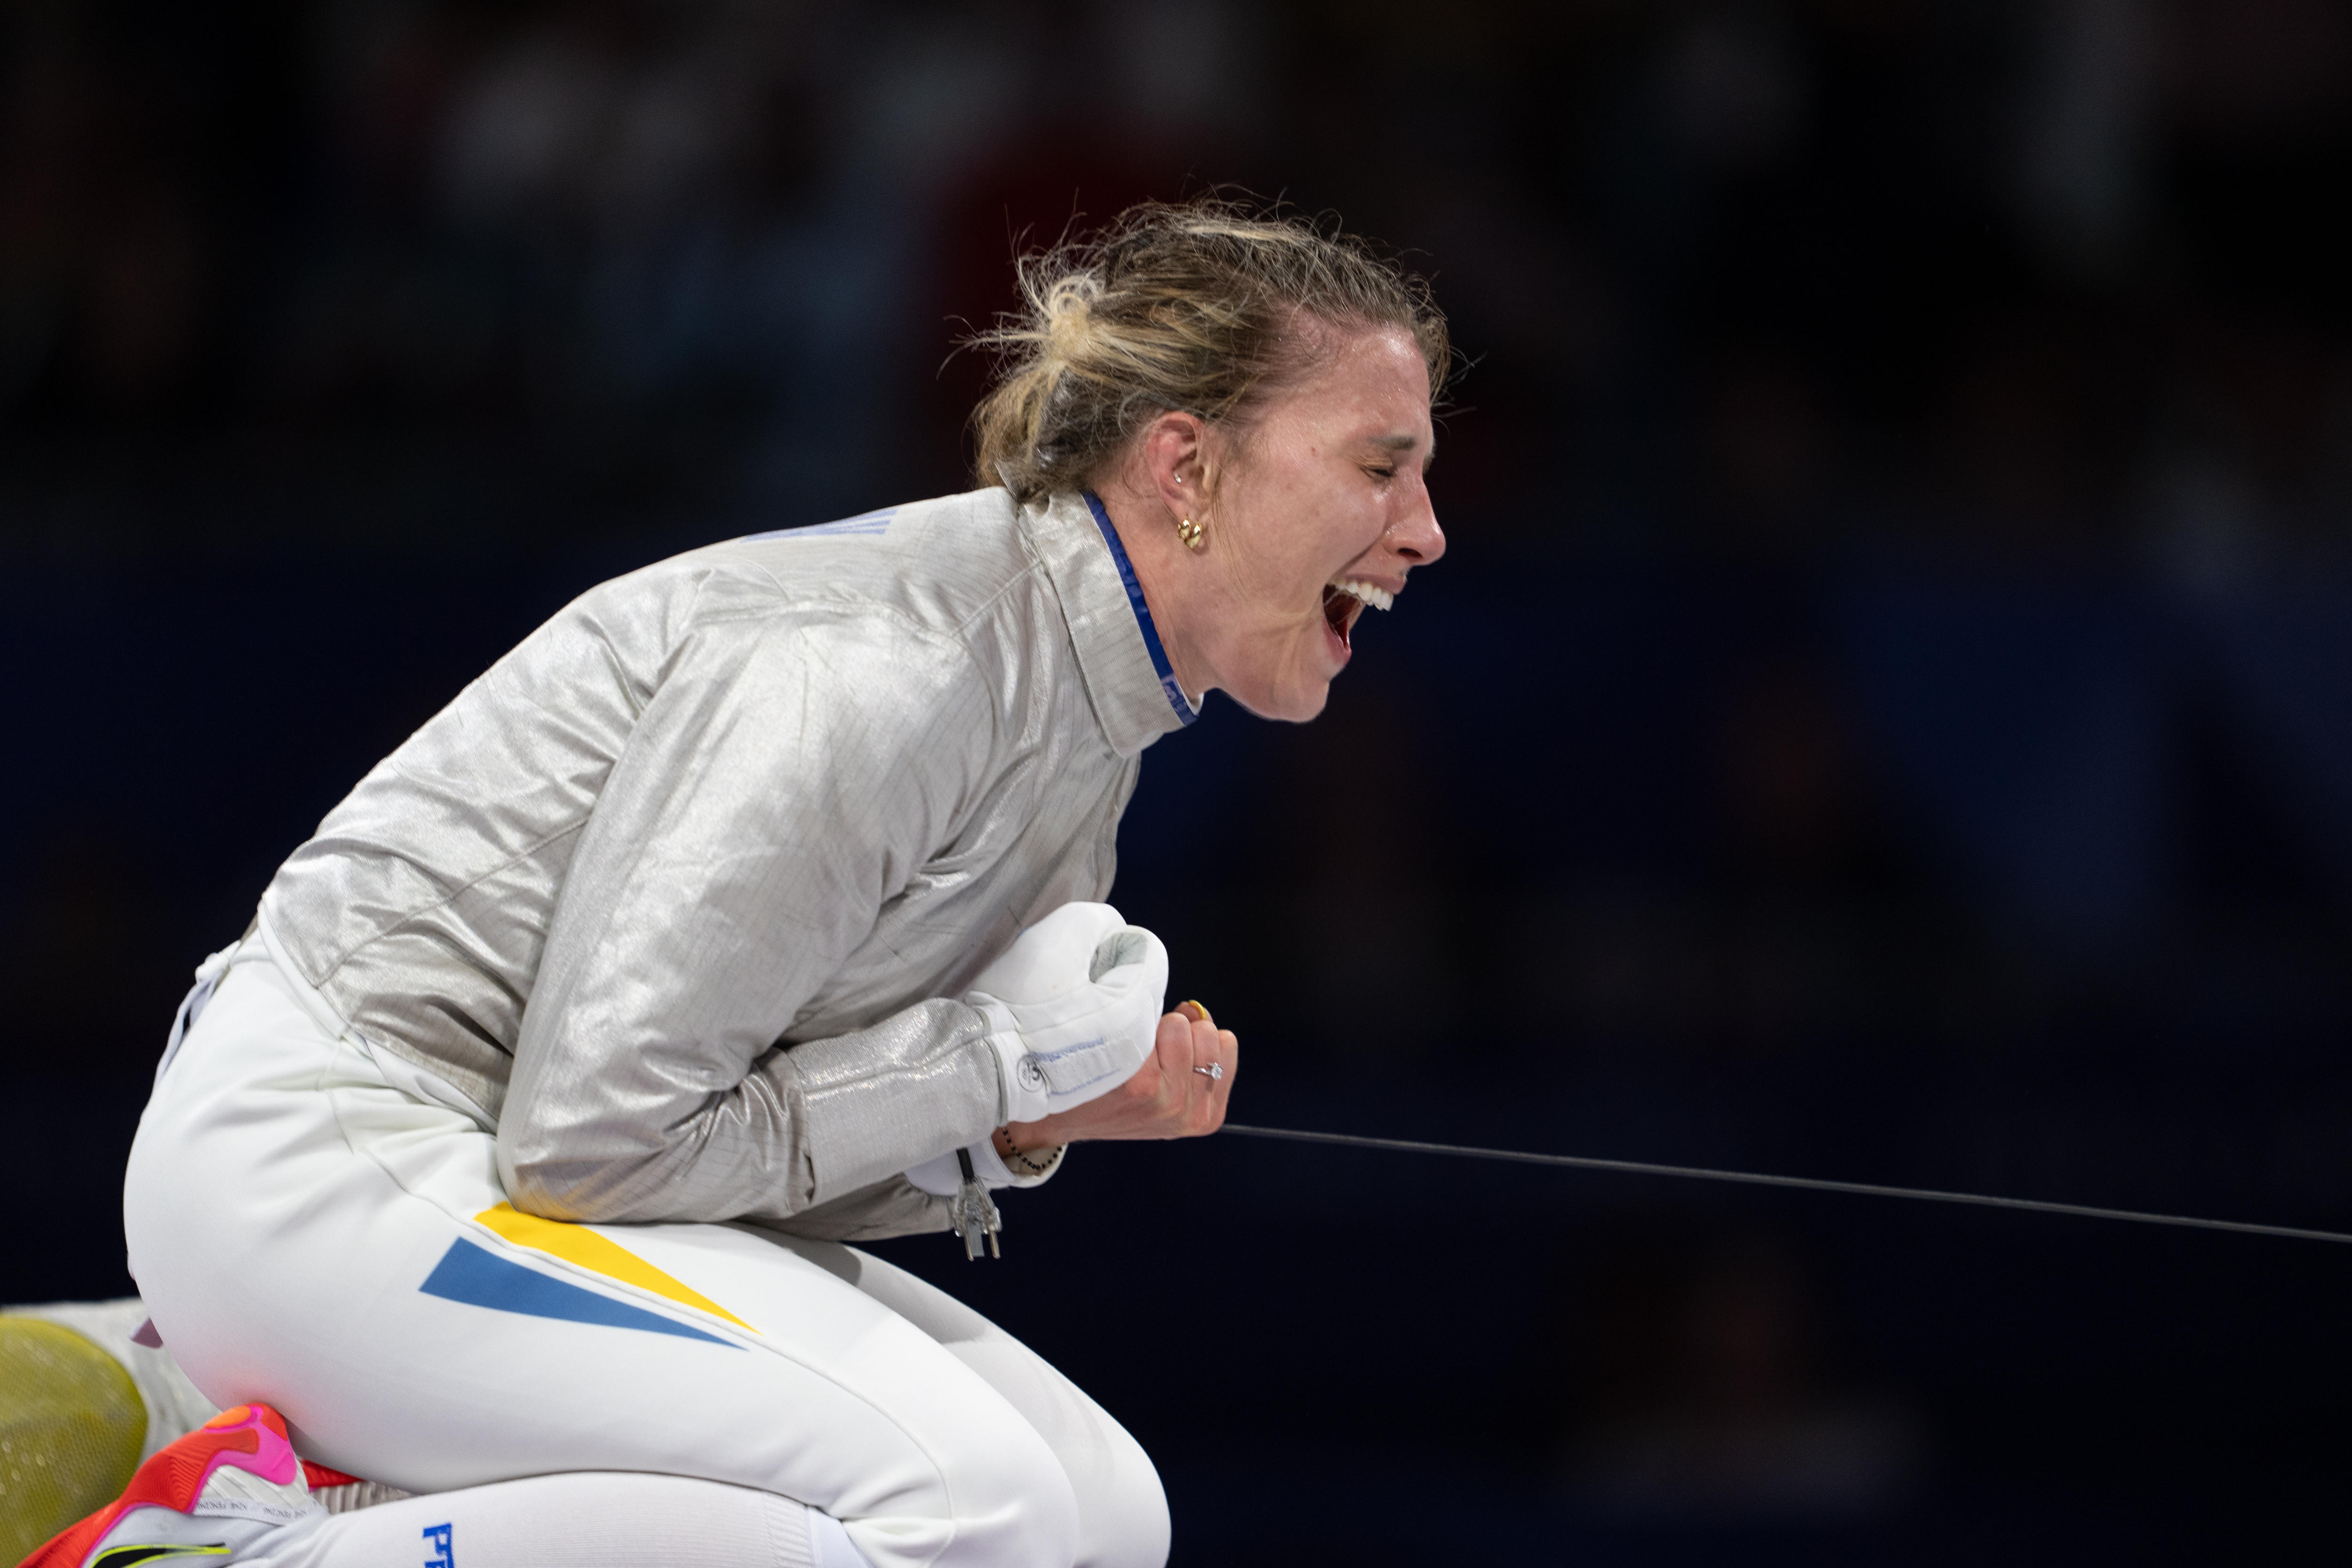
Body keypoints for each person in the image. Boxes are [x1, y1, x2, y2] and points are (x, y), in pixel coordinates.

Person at [29, 198, 1448, 1568]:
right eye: (1380, 467)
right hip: (323, 1168)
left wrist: (1018, 1118)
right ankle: (247, 1549)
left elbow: (735, 1156)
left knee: (1105, 1518)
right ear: (1185, 467)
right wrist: (987, 1063)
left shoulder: (1085, 721)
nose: (1427, 529)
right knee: (978, 1502)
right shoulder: (889, 667)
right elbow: (592, 1143)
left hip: (496, 1186)